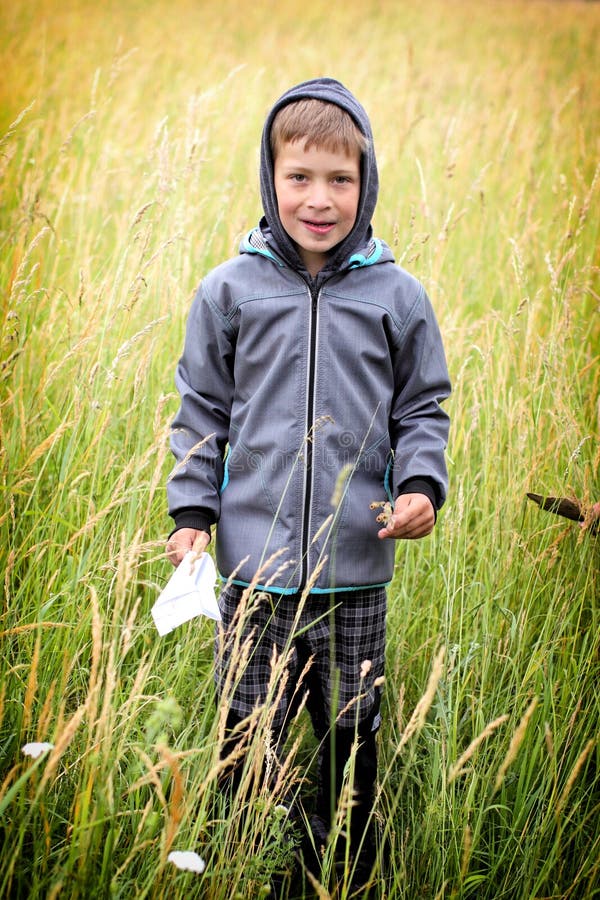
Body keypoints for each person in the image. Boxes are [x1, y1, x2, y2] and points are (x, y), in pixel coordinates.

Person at [165, 77, 451, 891]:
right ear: (270, 176)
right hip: (253, 580)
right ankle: (250, 866)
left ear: (367, 183)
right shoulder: (230, 291)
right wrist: (192, 512)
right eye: (300, 177)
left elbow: (424, 408)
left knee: (352, 746)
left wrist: (422, 487)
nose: (319, 199)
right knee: (244, 746)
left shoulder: (397, 297)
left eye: (340, 179)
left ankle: (351, 869)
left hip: (356, 572)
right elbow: (201, 411)